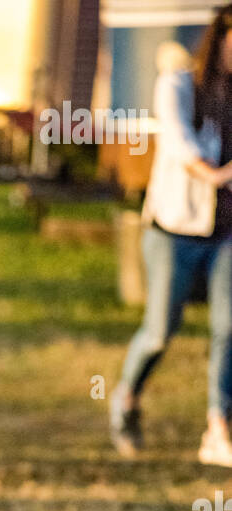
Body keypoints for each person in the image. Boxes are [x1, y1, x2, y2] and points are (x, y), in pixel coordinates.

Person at [110, 7, 232, 465]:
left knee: (230, 329)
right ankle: (126, 399)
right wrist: (219, 175)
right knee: (161, 332)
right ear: (221, 37)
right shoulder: (180, 83)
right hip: (173, 229)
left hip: (226, 233)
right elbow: (182, 146)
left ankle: (218, 430)